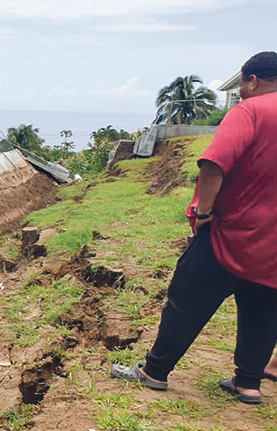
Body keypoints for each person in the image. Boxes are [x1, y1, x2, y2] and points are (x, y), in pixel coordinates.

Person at [112, 51, 277, 405]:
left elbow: (214, 164)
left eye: (242, 84)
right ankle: (248, 384)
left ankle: (154, 371)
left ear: (251, 81)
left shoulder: (249, 111)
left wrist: (204, 213)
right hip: (273, 247)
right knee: (264, 311)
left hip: (230, 233)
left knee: (187, 299)